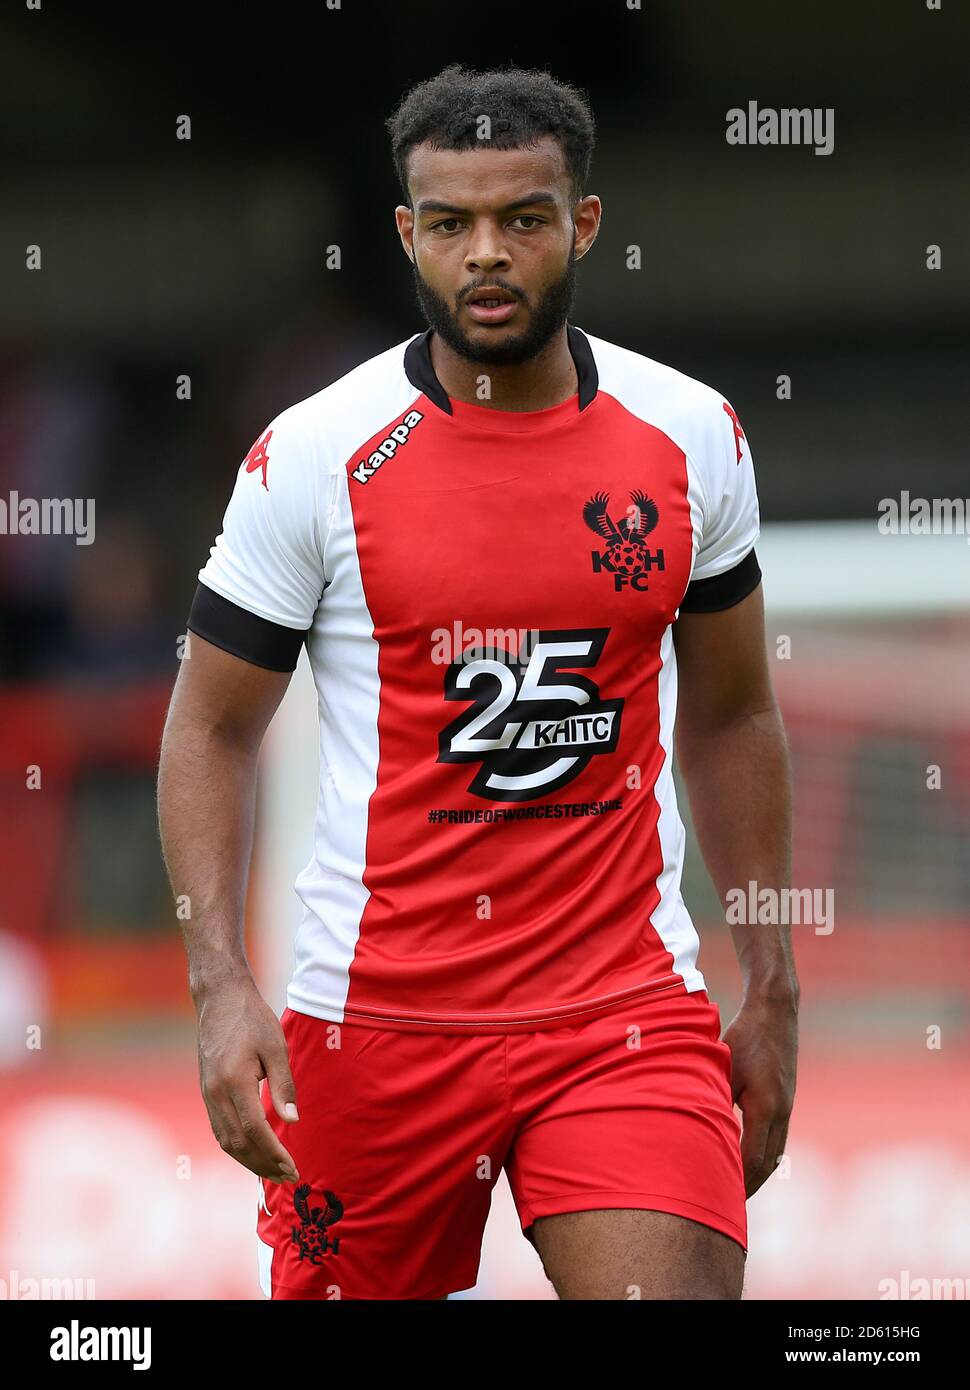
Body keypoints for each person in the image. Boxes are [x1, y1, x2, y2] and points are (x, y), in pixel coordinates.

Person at [157, 64, 798, 1302]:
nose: (486, 254)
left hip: (620, 1009)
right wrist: (219, 982)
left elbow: (732, 714)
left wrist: (771, 982)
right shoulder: (314, 453)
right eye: (450, 224)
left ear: (584, 224)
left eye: (524, 218)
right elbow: (209, 728)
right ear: (407, 233)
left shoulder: (691, 434)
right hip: (373, 1025)